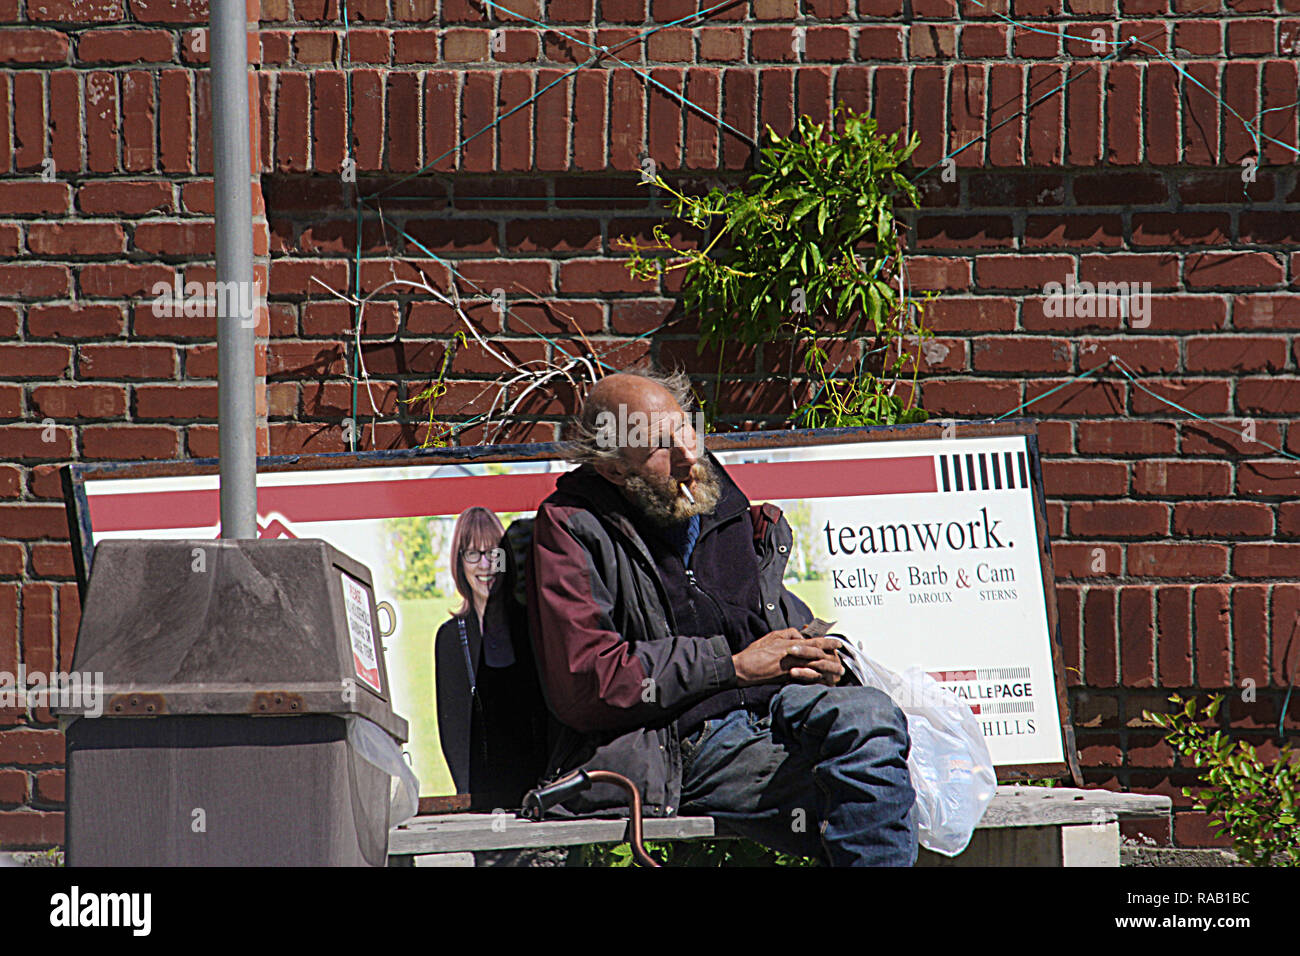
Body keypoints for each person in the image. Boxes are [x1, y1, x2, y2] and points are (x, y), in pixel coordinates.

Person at [526, 367, 918, 866]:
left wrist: (820, 656)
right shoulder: (572, 526)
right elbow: (586, 680)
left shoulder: (712, 493)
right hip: (682, 736)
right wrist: (730, 667)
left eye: (687, 428)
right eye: (660, 445)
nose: (689, 454)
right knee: (870, 789)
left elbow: (755, 611)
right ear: (614, 470)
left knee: (872, 715)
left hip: (776, 704)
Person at [434, 506, 541, 803]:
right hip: (480, 797)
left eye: (494, 553)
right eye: (473, 554)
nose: (486, 565)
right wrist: (467, 798)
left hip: (538, 794)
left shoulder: (532, 627)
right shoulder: (449, 638)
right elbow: (452, 733)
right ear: (459, 563)